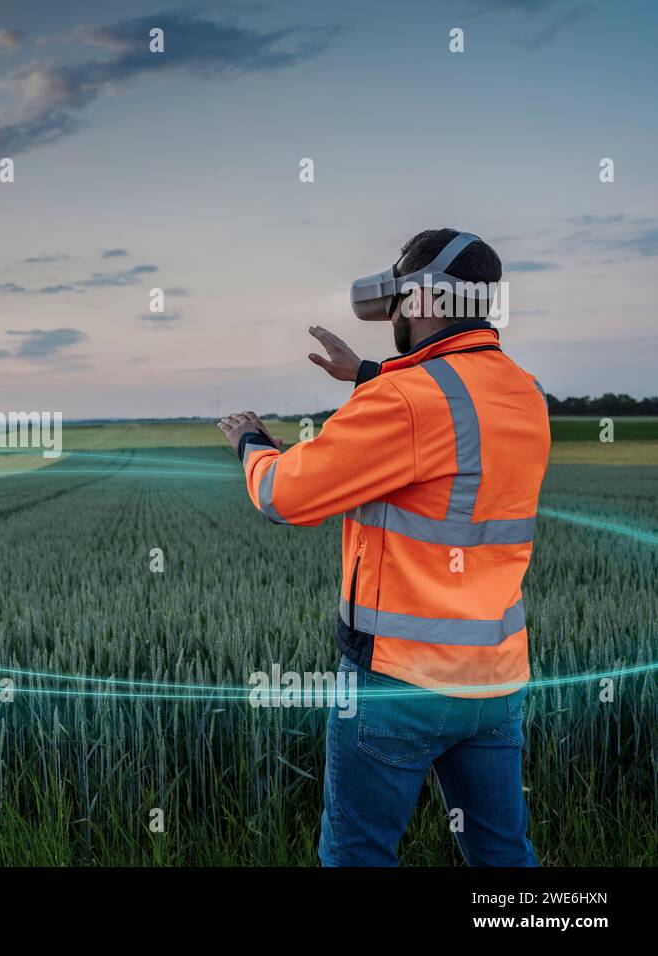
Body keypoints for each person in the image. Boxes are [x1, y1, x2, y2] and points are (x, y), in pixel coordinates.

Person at [218, 228, 550, 866]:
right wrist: (367, 374)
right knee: (502, 854)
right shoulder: (526, 393)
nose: (391, 310)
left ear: (423, 299)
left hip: (398, 684)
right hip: (496, 682)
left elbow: (285, 497)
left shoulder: (400, 401)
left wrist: (253, 444)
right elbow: (457, 412)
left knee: (358, 855)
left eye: (399, 294)